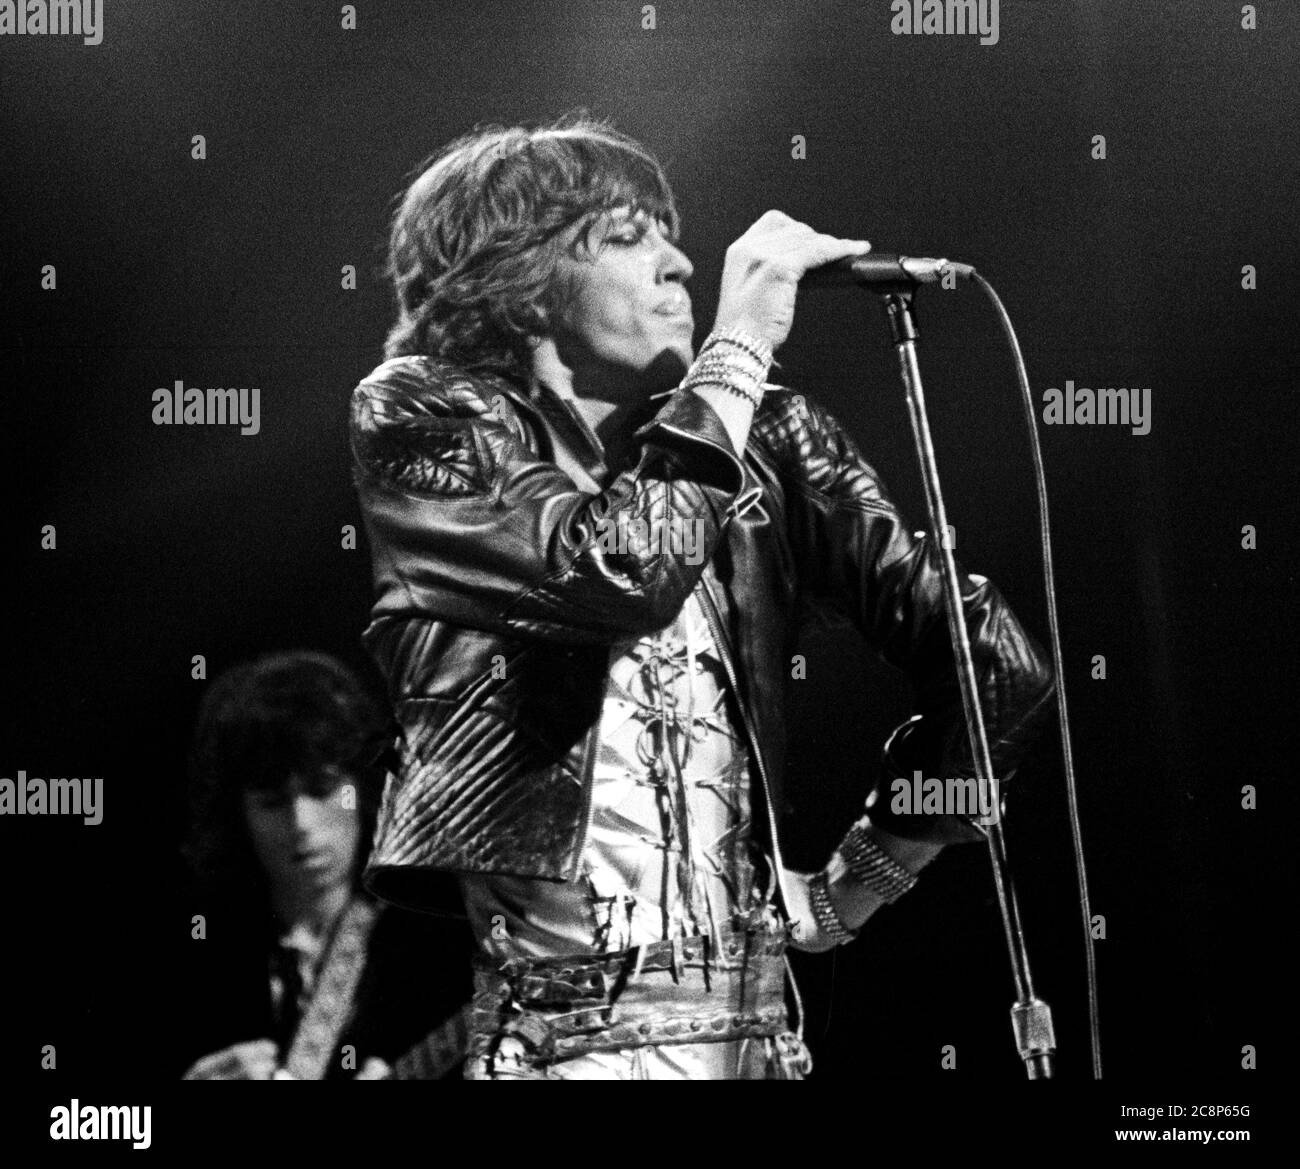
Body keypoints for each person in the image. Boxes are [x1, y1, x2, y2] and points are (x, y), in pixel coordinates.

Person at [348, 111, 1056, 1080]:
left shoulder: (764, 438)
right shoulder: (420, 423)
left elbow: (1000, 665)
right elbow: (622, 569)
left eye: (669, 232)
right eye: (627, 236)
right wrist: (736, 350)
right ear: (516, 284)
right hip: (557, 1054)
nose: (680, 263)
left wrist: (860, 878)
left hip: (758, 1045)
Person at [179, 651, 470, 1080]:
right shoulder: (194, 955)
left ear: (366, 788)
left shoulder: (443, 940)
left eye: (323, 789)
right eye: (272, 802)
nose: (302, 824)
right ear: (236, 813)